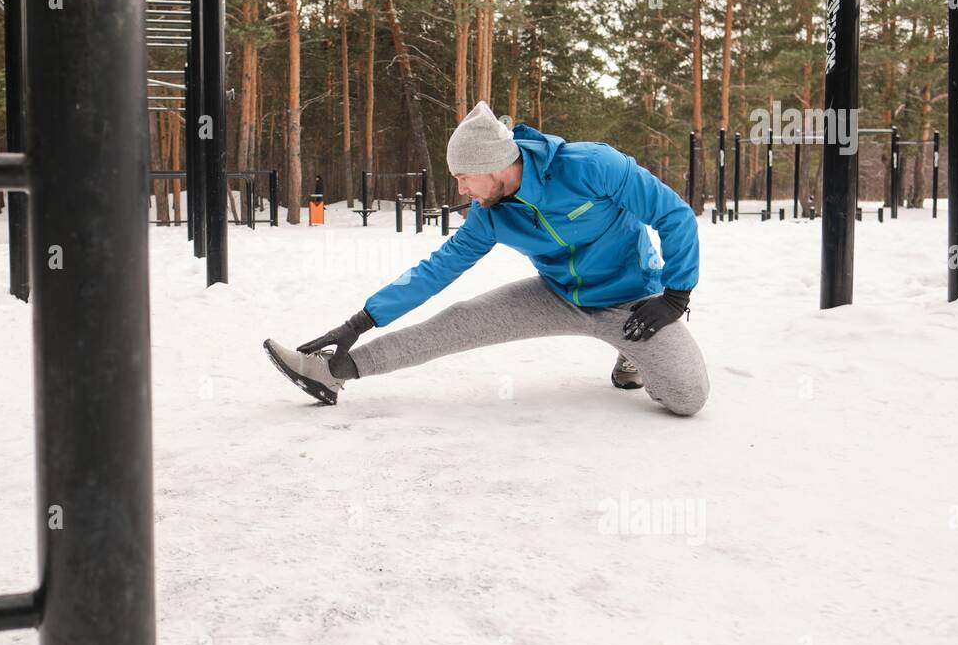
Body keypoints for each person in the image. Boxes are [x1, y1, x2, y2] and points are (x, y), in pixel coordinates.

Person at [263, 101, 709, 416]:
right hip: (557, 295)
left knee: (687, 398)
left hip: (636, 303)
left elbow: (674, 216)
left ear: (495, 166)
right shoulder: (488, 213)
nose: (460, 190)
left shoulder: (591, 166)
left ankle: (631, 353)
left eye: (463, 177)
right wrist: (360, 321)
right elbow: (437, 270)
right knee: (458, 321)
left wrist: (674, 295)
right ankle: (332, 372)